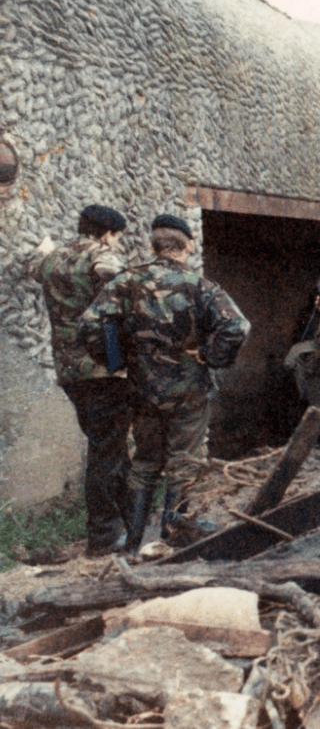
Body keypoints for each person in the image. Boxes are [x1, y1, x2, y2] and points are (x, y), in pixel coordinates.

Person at [79, 214, 250, 553]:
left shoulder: (125, 282)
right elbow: (237, 326)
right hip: (189, 392)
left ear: (151, 247)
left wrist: (116, 359)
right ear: (188, 246)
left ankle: (133, 544)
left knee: (144, 465)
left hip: (143, 391)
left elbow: (91, 325)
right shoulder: (201, 286)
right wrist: (209, 355)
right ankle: (174, 542)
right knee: (184, 464)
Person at [30, 204, 133, 556]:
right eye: (117, 237)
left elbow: (34, 265)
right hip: (105, 370)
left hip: (71, 373)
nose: (116, 243)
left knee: (111, 446)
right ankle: (103, 535)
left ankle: (131, 522)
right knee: (107, 451)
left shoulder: (53, 260)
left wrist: (45, 249)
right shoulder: (101, 255)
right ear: (107, 233)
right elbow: (117, 279)